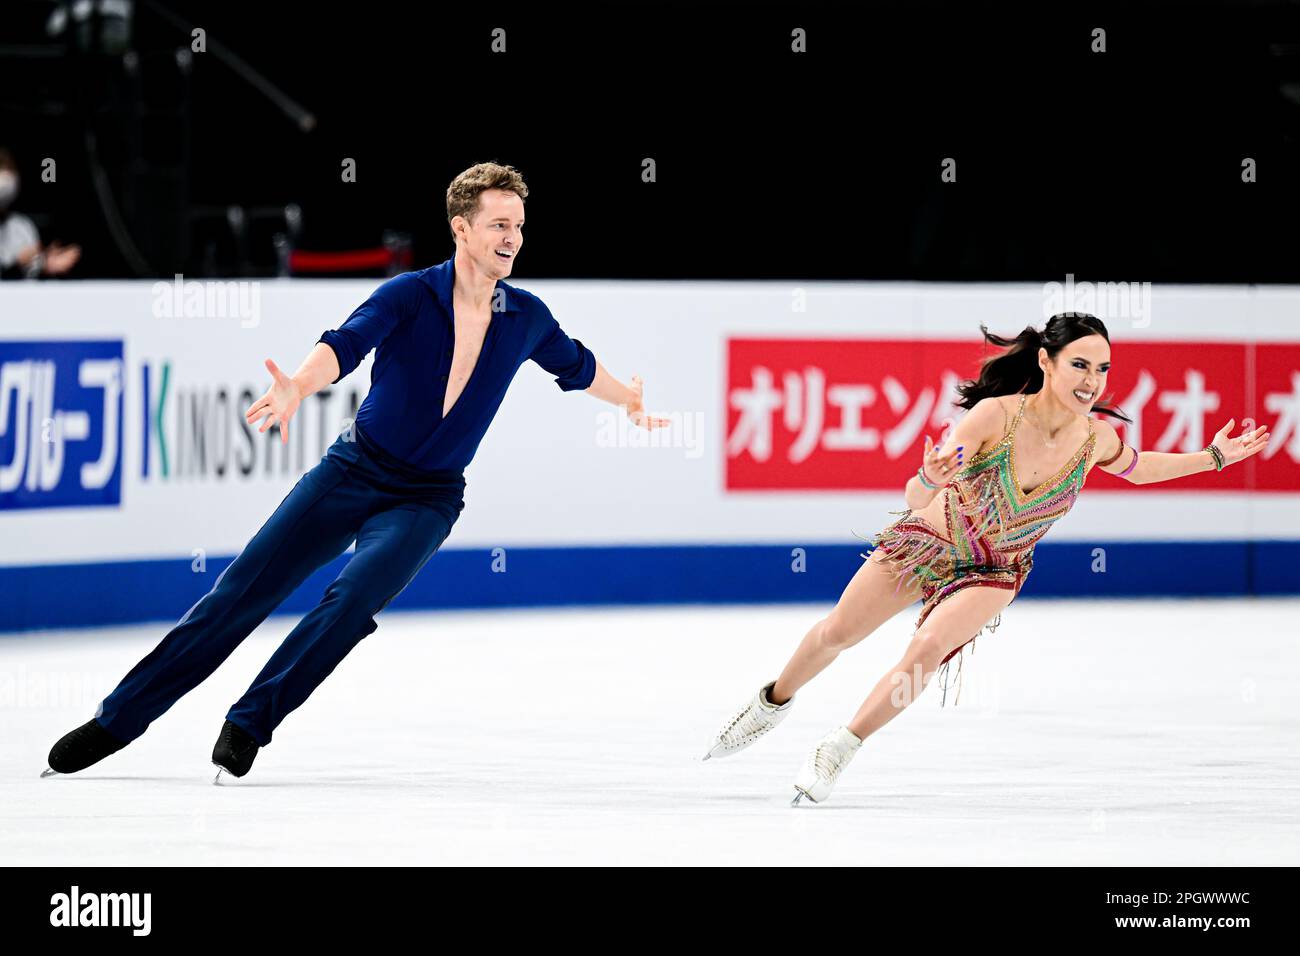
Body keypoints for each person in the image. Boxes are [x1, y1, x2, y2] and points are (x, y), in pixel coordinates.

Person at [44, 162, 669, 782]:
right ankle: (116, 720)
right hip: (354, 470)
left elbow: (579, 367)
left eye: (520, 226)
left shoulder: (524, 316)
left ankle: (249, 720)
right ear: (461, 228)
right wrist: (298, 387)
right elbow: (344, 346)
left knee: (352, 602)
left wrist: (629, 401)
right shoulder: (409, 294)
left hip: (427, 499)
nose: (513, 238)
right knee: (240, 591)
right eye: (500, 224)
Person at [704, 313, 1270, 805]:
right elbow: (917, 494)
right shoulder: (994, 417)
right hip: (929, 543)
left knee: (927, 649)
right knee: (837, 633)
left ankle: (839, 746)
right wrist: (929, 476)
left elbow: (1140, 466)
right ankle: (771, 702)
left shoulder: (1094, 439)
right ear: (1046, 362)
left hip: (997, 569)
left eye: (1103, 370)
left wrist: (1215, 457)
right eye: (1080, 365)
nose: (1093, 381)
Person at [0, 148, 81, 279]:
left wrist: (44, 265)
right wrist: (15, 264)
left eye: (7, 169)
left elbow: (33, 271)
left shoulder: (21, 227)